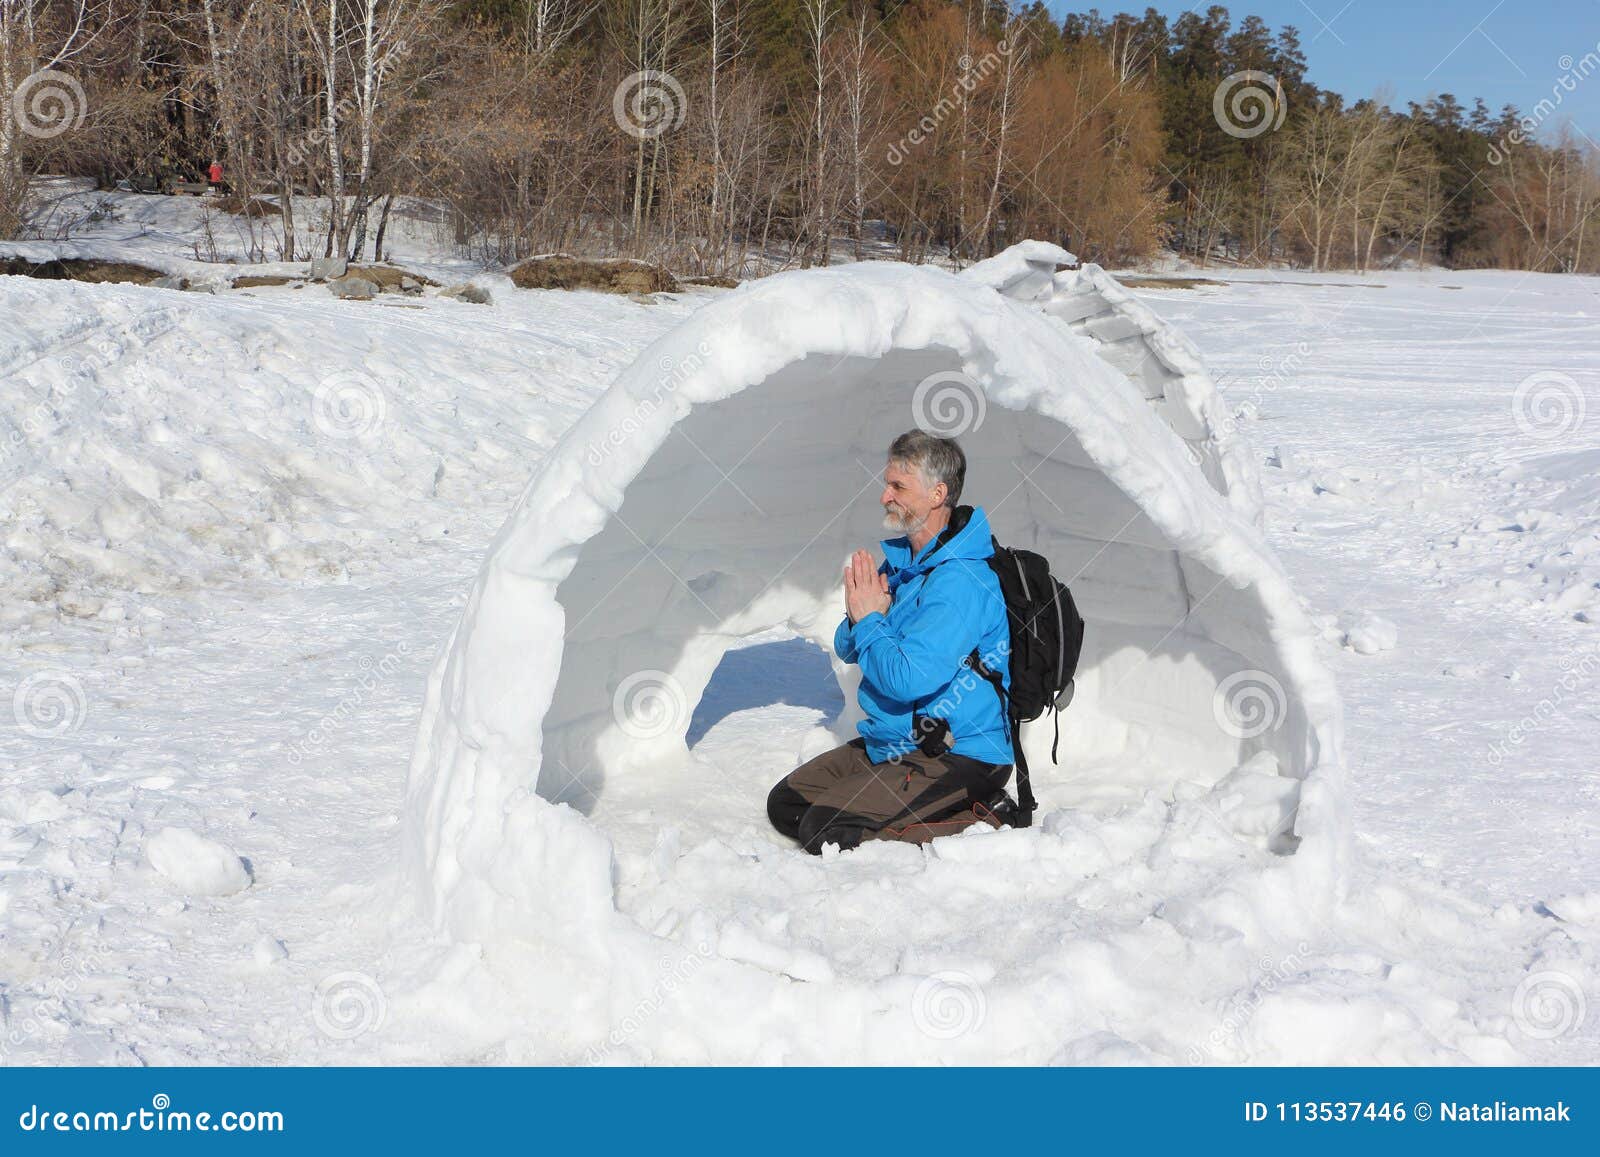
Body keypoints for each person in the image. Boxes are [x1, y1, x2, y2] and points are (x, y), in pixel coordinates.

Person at [767, 429, 1016, 854]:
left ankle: (985, 811)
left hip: (958, 754)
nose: (885, 496)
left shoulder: (961, 583)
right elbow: (849, 646)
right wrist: (860, 616)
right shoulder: (905, 564)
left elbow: (907, 679)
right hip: (895, 742)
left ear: (937, 494)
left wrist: (868, 619)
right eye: (887, 484)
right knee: (787, 805)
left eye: (898, 486)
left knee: (823, 830)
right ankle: (895, 800)